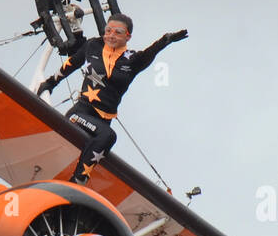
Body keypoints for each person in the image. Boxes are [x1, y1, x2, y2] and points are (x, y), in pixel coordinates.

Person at [37, 14, 187, 184]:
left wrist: (165, 40)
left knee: (104, 137)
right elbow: (70, 65)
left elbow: (149, 53)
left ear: (128, 36)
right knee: (108, 137)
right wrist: (49, 84)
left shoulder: (133, 60)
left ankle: (77, 191)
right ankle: (78, 180)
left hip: (102, 121)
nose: (111, 35)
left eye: (118, 32)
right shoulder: (93, 45)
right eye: (108, 30)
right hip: (80, 113)